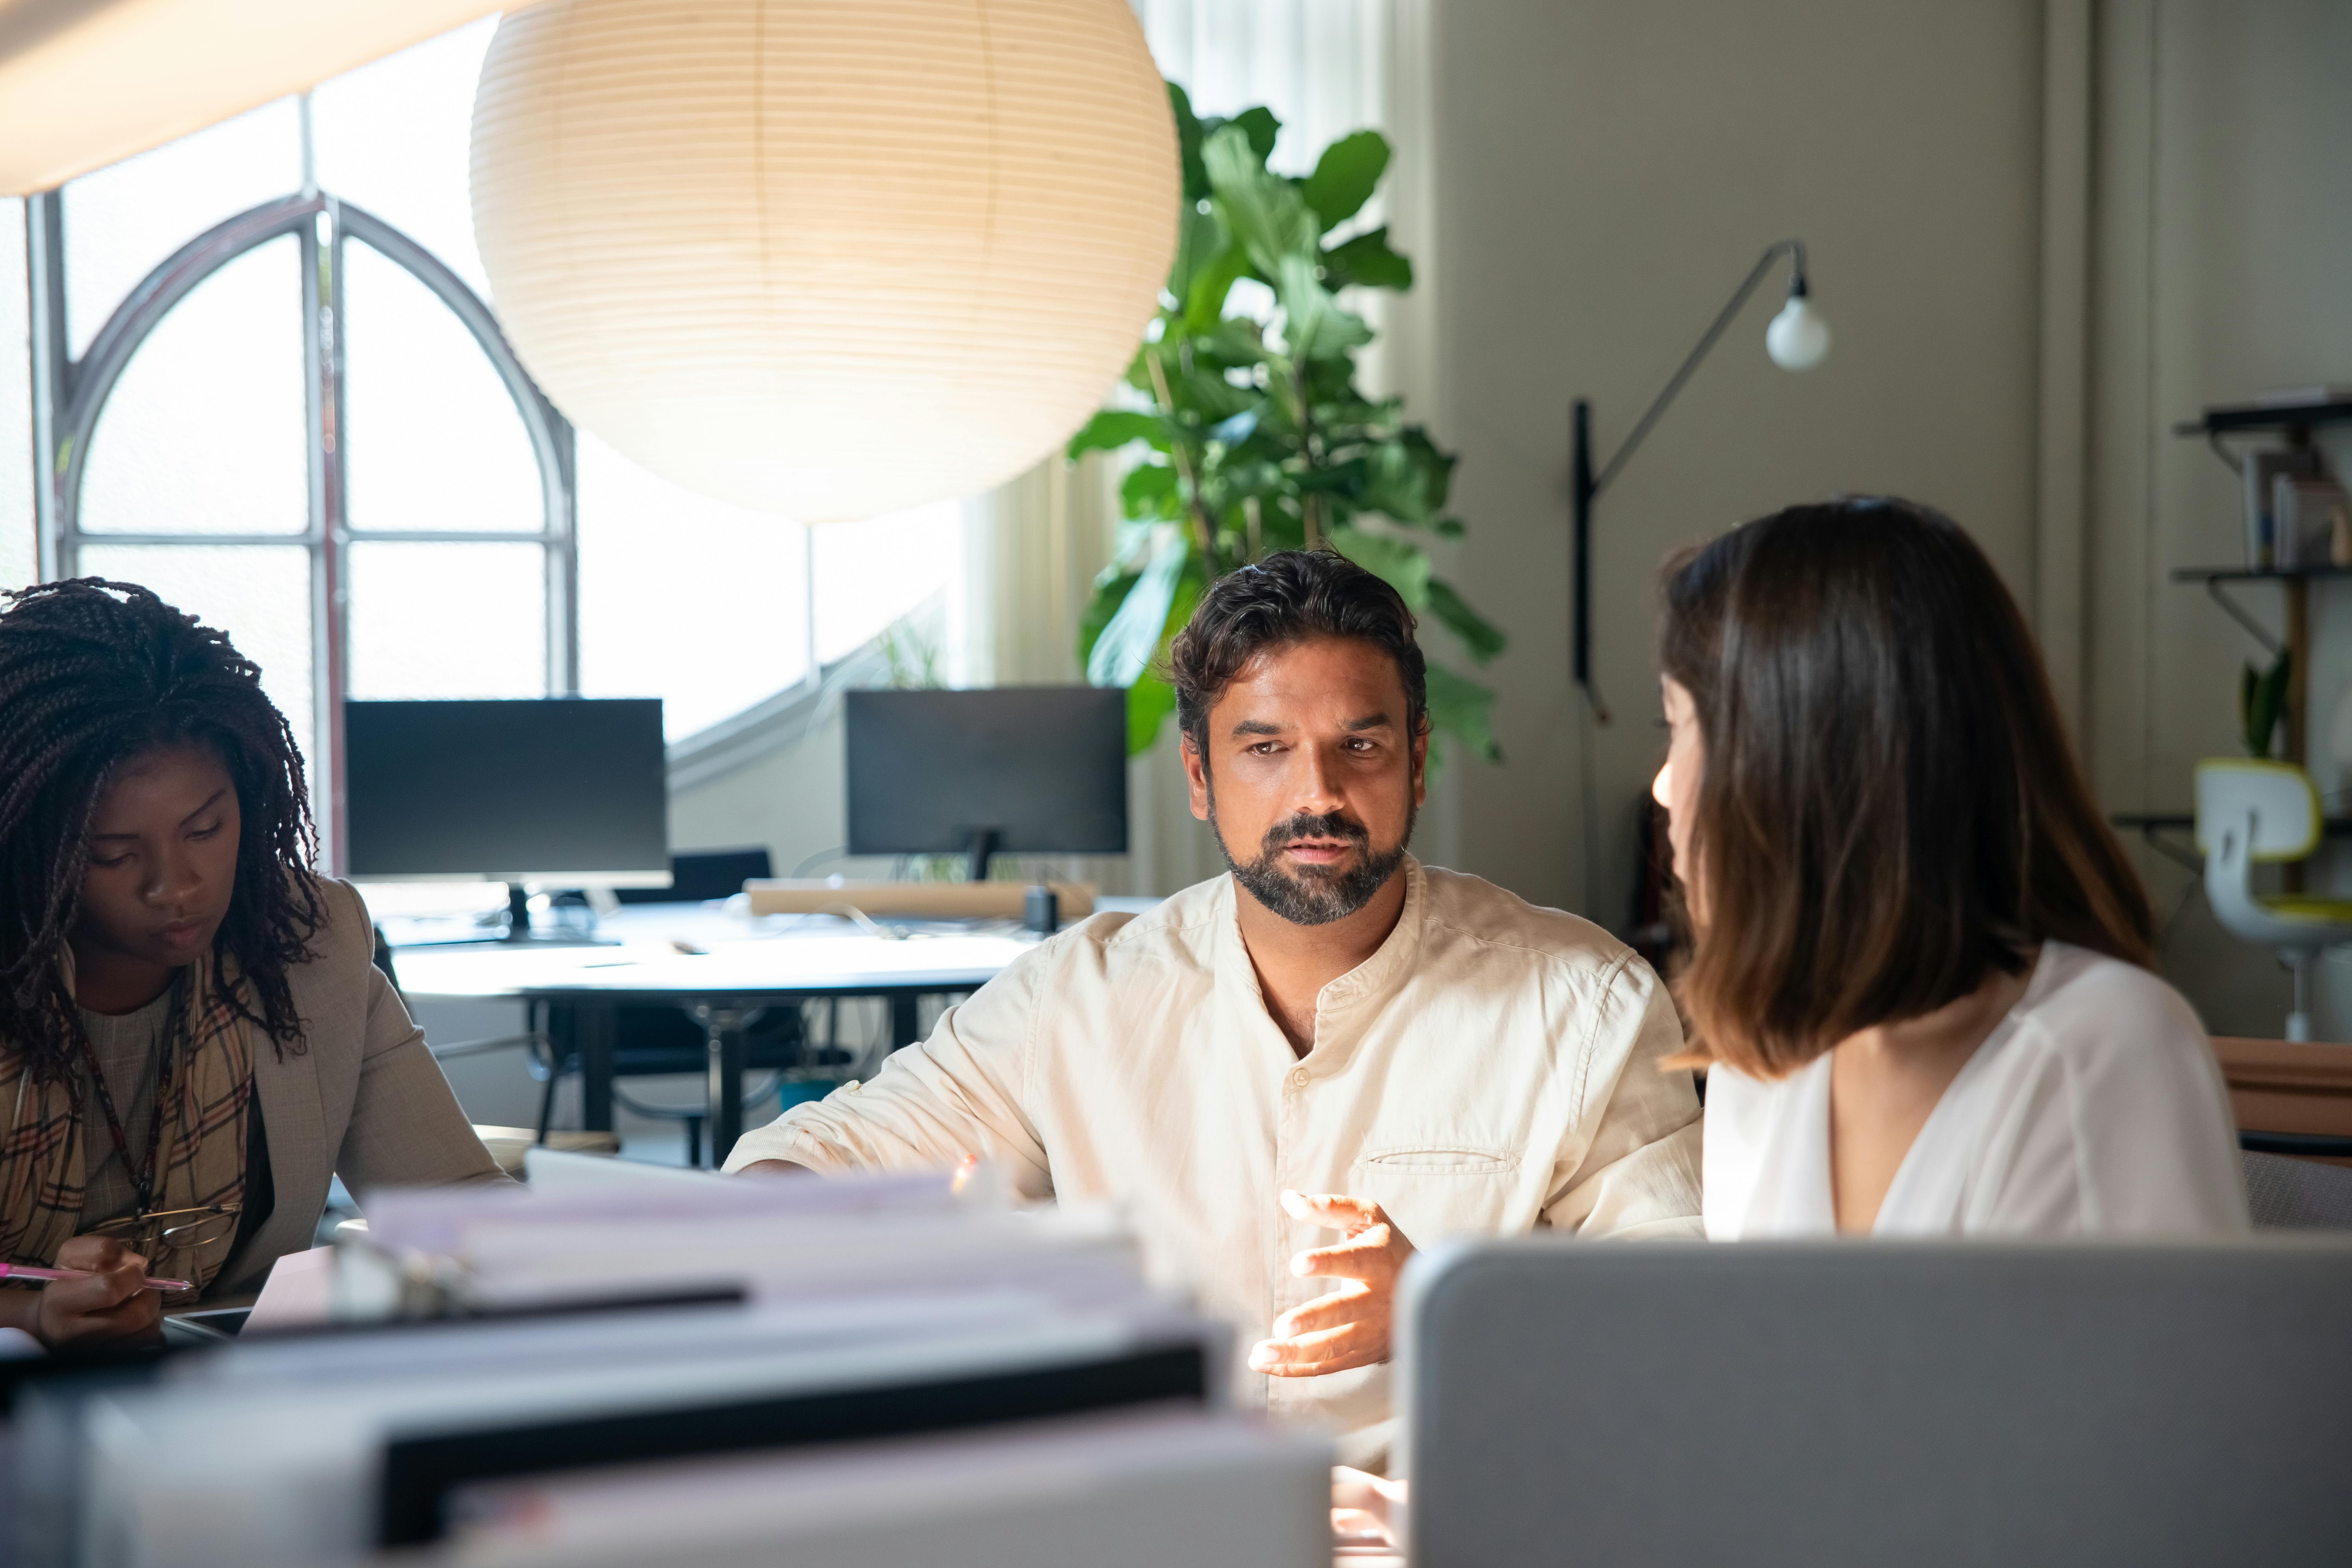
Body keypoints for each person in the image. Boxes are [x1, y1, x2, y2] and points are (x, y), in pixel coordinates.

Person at [726, 548, 1702, 1463]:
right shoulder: (1075, 999)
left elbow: (1685, 1328)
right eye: (1264, 747)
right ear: (1199, 775)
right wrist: (873, 1235)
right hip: (1143, 1523)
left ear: (1414, 758)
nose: (1314, 792)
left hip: (1448, 1525)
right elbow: (809, 1162)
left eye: (1357, 744)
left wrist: (1448, 1304)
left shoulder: (1582, 1004)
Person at [1651, 497, 2247, 1238]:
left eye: (1679, 726)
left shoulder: (2097, 1052)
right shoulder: (1764, 1060)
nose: (1662, 785)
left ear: (1797, 763)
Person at [0, 579, 506, 1350]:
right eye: (111, 854)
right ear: (30, 846)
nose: (175, 887)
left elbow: (455, 1205)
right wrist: (32, 1316)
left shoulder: (309, 945)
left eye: (205, 829)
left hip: (239, 1404)